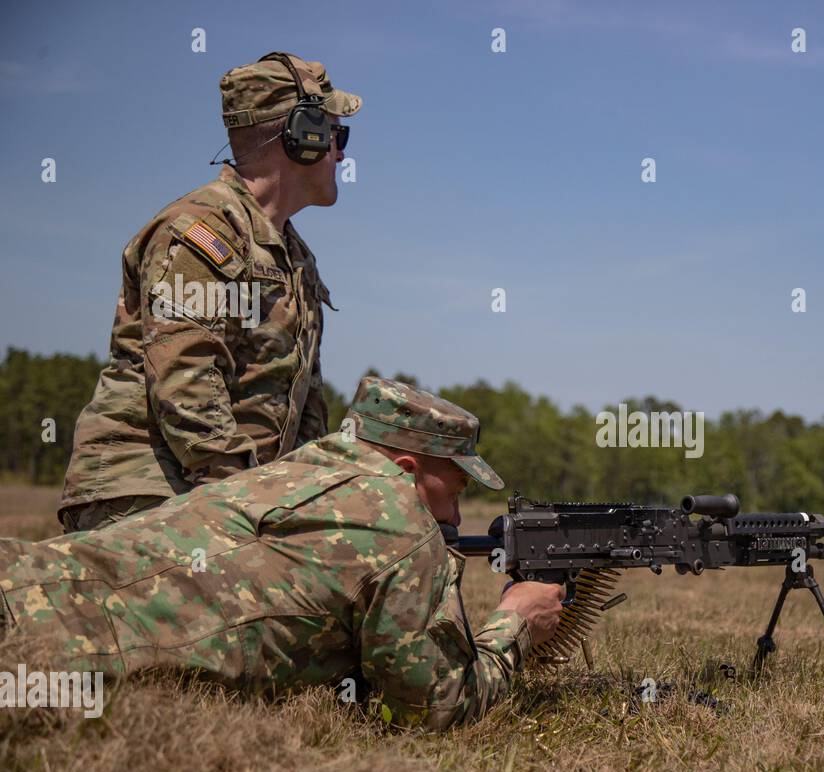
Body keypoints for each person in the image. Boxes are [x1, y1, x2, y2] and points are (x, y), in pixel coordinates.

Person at [1, 378, 564, 732]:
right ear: (406, 470)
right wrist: (516, 621)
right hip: (44, 661)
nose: (457, 517)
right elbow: (435, 707)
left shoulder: (294, 471)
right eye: (456, 490)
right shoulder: (396, 517)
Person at [58, 52, 362, 533]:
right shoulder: (201, 230)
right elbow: (187, 379)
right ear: (302, 135)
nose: (342, 153)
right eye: (336, 134)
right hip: (152, 495)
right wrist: (245, 505)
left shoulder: (291, 253)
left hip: (225, 497)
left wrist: (303, 502)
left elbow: (305, 406)